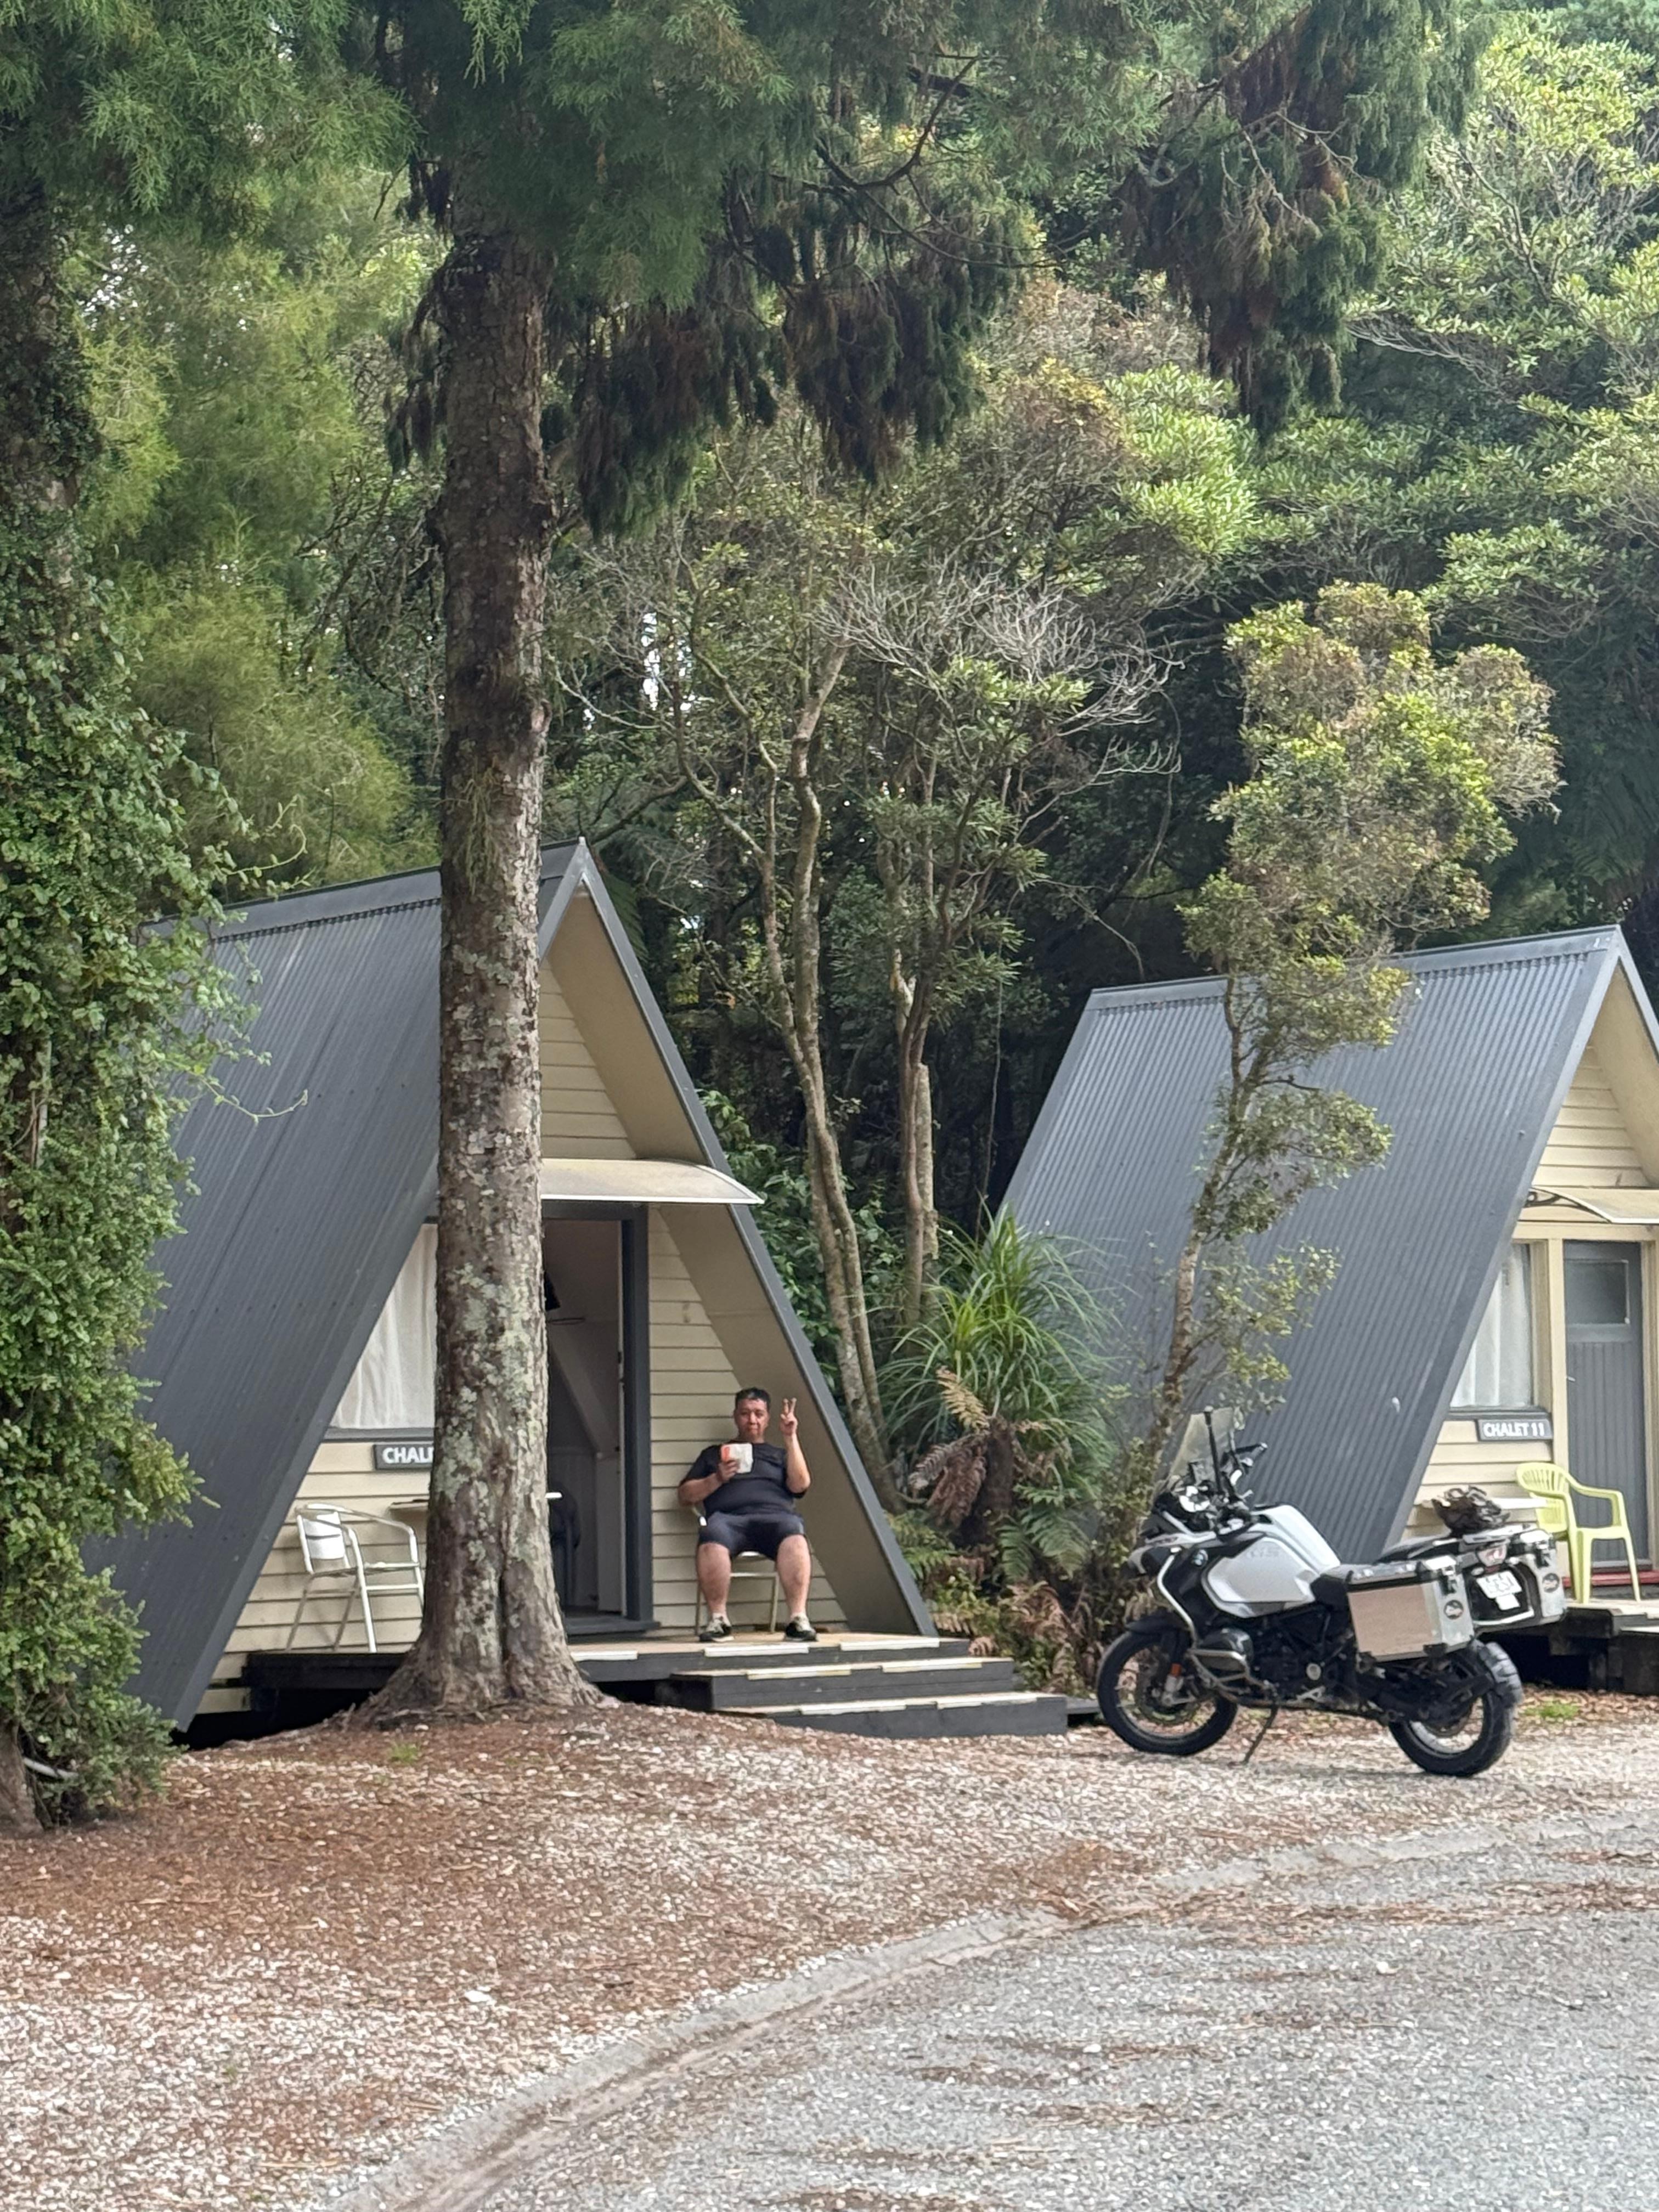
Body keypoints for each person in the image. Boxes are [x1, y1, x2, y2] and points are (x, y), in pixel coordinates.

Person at [679, 1386, 816, 1643]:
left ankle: (798, 1619)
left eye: (758, 1414)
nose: (752, 1420)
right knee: (711, 1534)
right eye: (745, 1414)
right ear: (735, 1416)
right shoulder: (714, 1455)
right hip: (729, 1522)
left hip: (775, 1521)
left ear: (767, 1418)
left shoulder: (779, 1455)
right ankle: (719, 1621)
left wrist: (790, 1437)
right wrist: (717, 1478)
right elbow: (685, 1496)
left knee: (796, 1535)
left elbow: (800, 1486)